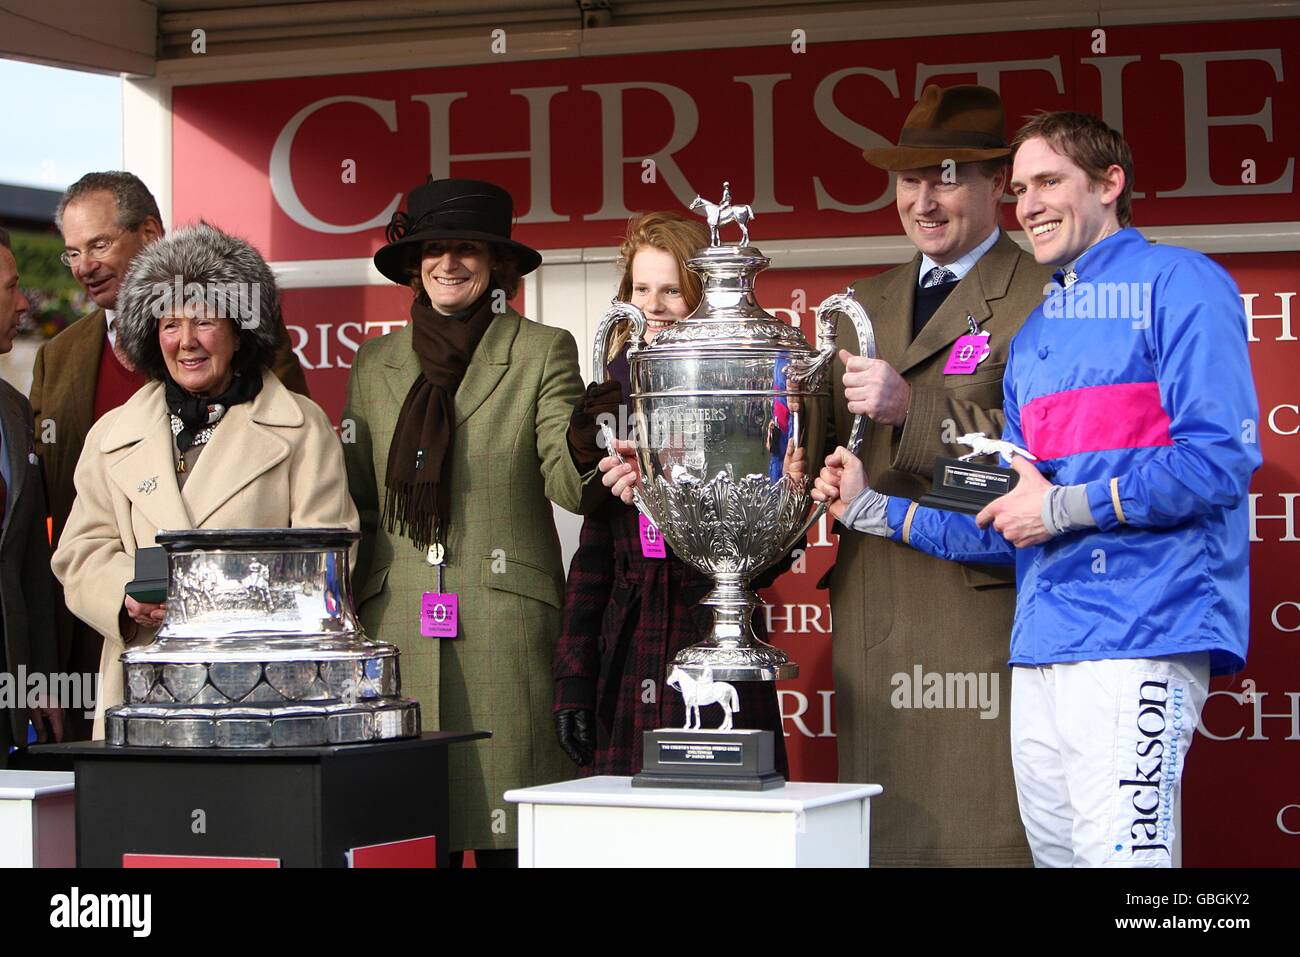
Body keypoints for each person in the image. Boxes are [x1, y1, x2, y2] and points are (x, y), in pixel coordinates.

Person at [603, 85, 1048, 866]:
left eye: (944, 176)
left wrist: (914, 409)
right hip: (874, 618)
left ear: (996, 182)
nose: (924, 200)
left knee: (985, 842)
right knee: (881, 842)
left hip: (979, 620)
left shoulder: (1045, 293)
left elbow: (1033, 480)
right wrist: (675, 465)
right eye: (909, 181)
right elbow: (800, 458)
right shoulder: (868, 300)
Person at [813, 110, 1261, 868]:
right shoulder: (1044, 326)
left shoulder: (1182, 281)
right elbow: (1004, 504)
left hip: (1140, 634)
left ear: (1112, 183)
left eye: (1050, 181)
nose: (1032, 204)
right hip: (1042, 642)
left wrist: (1060, 506)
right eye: (1022, 188)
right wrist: (872, 509)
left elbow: (1217, 461)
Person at [343, 177, 597, 867]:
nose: (448, 263)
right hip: (397, 631)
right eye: (433, 248)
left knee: (507, 844)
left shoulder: (543, 348)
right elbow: (356, 508)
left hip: (505, 634)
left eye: (467, 249)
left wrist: (587, 438)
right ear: (415, 263)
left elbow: (570, 486)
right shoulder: (373, 363)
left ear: (497, 264)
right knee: (405, 839)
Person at [51, 224, 357, 739]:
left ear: (241, 331)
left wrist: (214, 600)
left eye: (205, 322)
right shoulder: (112, 434)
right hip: (141, 690)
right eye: (170, 323)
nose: (185, 341)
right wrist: (127, 597)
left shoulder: (301, 426)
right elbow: (79, 554)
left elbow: (332, 560)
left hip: (263, 695)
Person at [552, 211, 788, 776]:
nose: (653, 306)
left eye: (671, 291)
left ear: (703, 297)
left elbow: (772, 554)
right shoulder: (611, 394)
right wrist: (574, 684)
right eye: (640, 289)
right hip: (626, 645)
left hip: (712, 636)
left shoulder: (748, 389)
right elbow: (593, 558)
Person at [0, 228, 63, 765]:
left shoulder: (17, 411)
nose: (25, 303)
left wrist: (43, 681)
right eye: (10, 287)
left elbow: (29, 565)